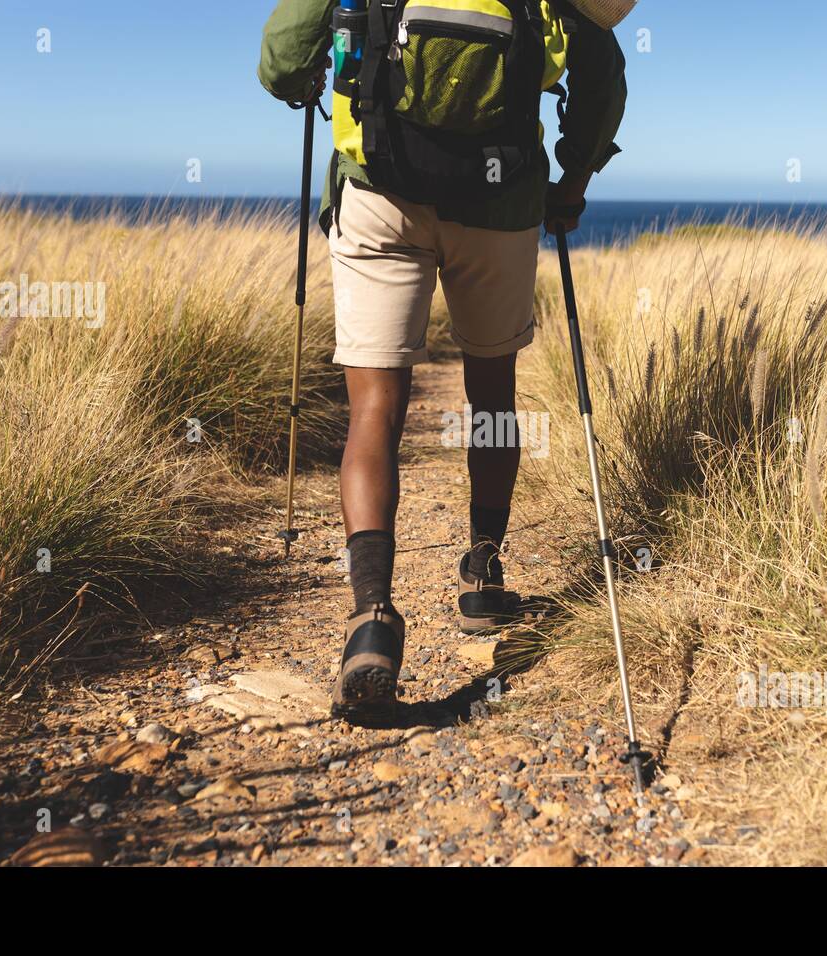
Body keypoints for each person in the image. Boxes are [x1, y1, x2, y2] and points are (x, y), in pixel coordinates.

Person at [258, 0, 630, 723]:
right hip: (501, 205)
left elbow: (282, 60)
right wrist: (573, 183)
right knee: (492, 394)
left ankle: (371, 615)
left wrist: (309, 82)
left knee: (374, 407)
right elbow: (602, 80)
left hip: (378, 191)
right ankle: (483, 575)